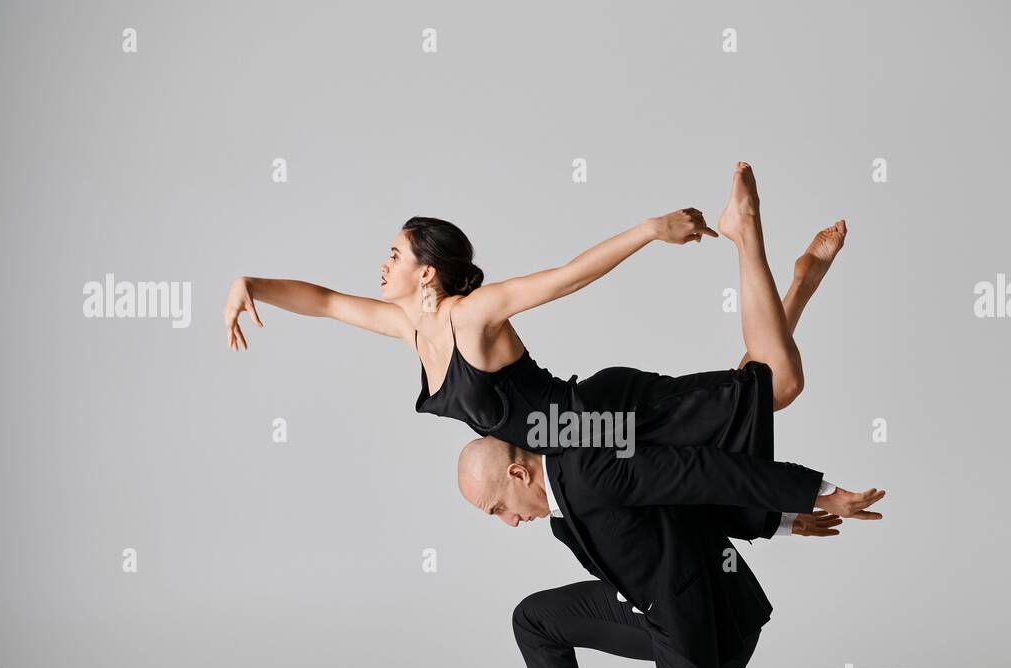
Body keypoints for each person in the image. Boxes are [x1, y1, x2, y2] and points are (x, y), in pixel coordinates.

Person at [225, 164, 847, 536]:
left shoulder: (474, 316)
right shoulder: (407, 327)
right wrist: (250, 285)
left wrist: (650, 231)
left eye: (394, 254)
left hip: (603, 416)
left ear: (426, 273)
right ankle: (798, 285)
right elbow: (325, 300)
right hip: (590, 444)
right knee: (747, 403)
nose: (382, 263)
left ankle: (744, 238)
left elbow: (567, 275)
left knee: (774, 389)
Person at [456, 435, 885, 668]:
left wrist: (798, 506)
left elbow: (694, 476)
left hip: (704, 628)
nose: (509, 522)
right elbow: (672, 509)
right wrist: (779, 523)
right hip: (653, 613)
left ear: (518, 473)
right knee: (535, 620)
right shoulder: (561, 518)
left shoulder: (593, 468)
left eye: (498, 508)